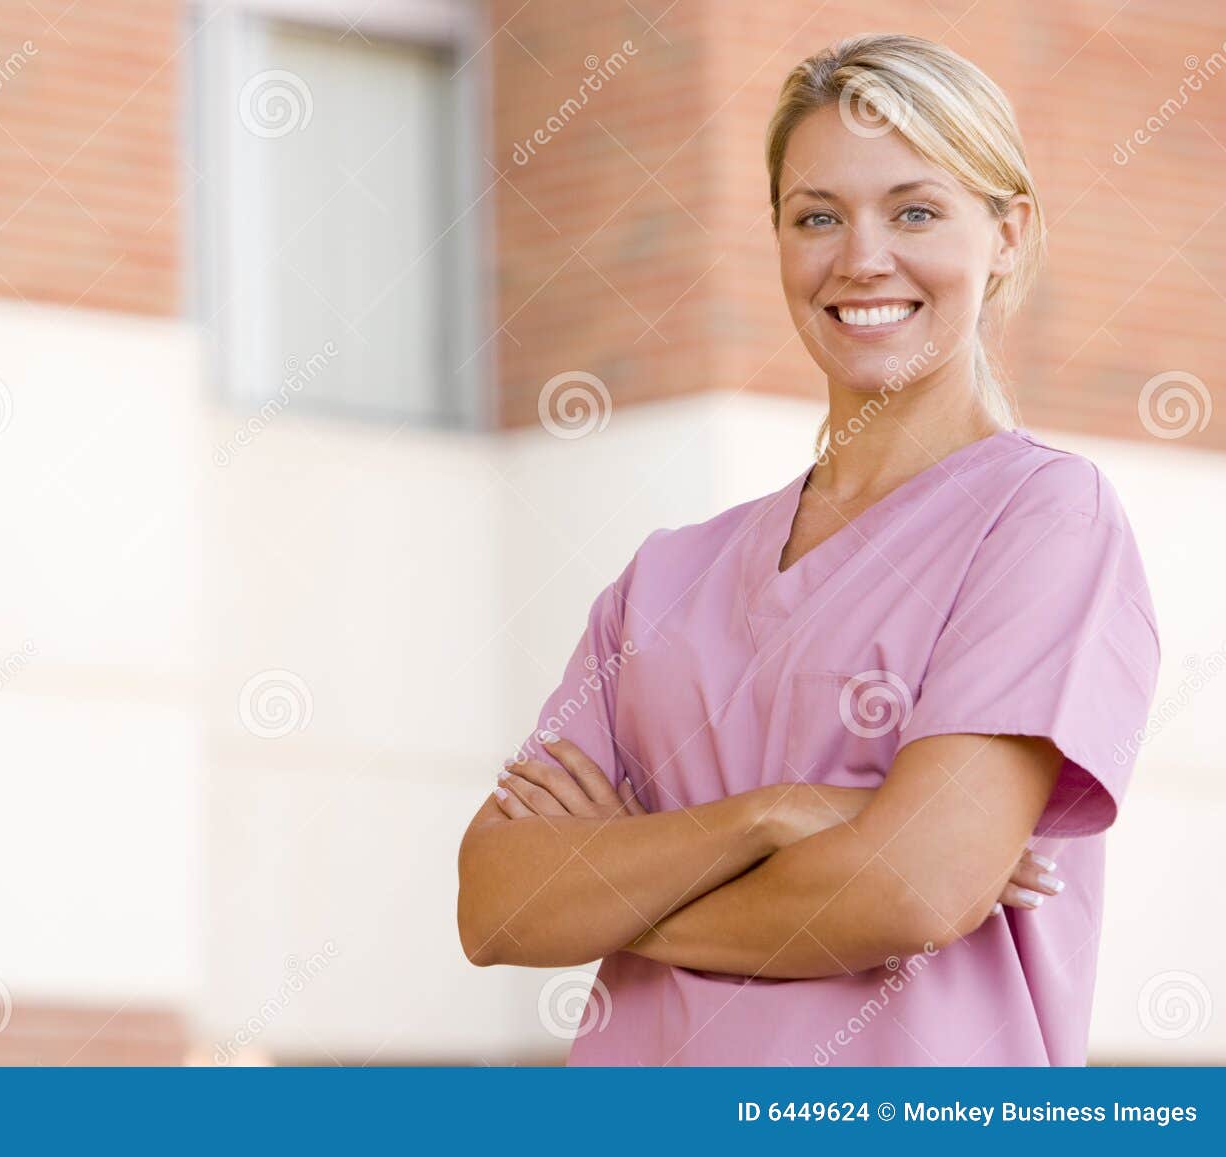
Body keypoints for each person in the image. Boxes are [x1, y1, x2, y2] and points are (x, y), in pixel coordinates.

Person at [456, 33, 1162, 1066]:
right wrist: (775, 815)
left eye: (914, 210)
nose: (860, 257)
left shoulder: (1044, 519)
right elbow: (497, 903)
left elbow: (910, 887)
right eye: (816, 216)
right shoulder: (666, 577)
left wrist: (616, 896)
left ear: (1006, 234)